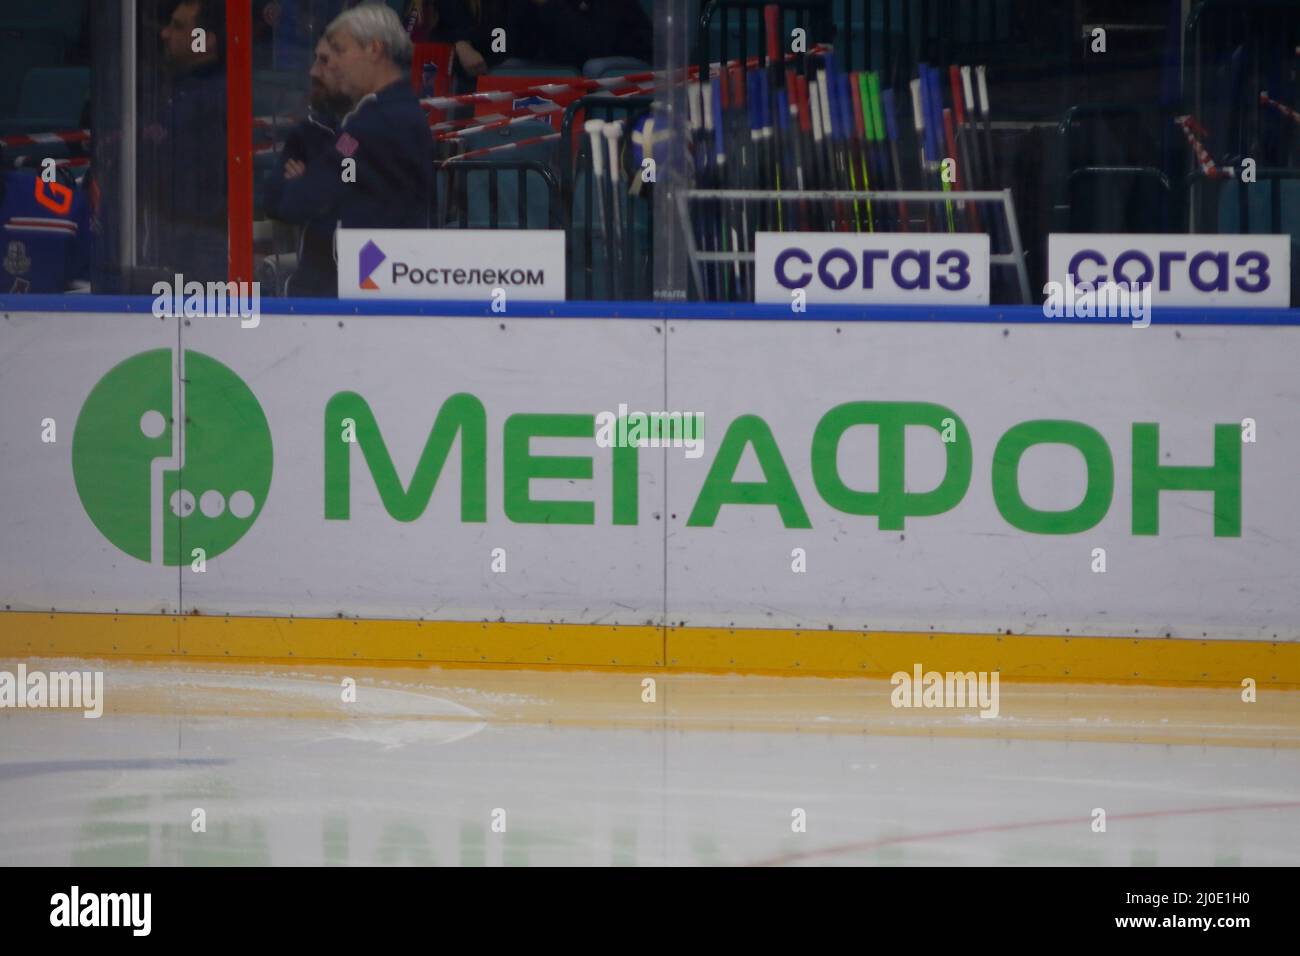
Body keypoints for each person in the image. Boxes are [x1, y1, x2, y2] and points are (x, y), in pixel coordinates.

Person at [263, 3, 434, 295]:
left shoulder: (375, 123)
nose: (334, 66)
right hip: (369, 282)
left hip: (361, 288)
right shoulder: (388, 113)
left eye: (340, 51)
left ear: (374, 50)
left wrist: (305, 180)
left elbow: (302, 199)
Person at [264, 38, 351, 296]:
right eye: (315, 59)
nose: (313, 71)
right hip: (313, 283)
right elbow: (275, 202)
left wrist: (307, 184)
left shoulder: (376, 127)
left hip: (373, 279)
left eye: (324, 61)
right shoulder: (307, 132)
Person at [154, 0, 228, 282]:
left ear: (204, 41)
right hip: (169, 233)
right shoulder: (171, 89)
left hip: (203, 240)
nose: (164, 33)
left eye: (178, 26)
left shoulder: (219, 97)